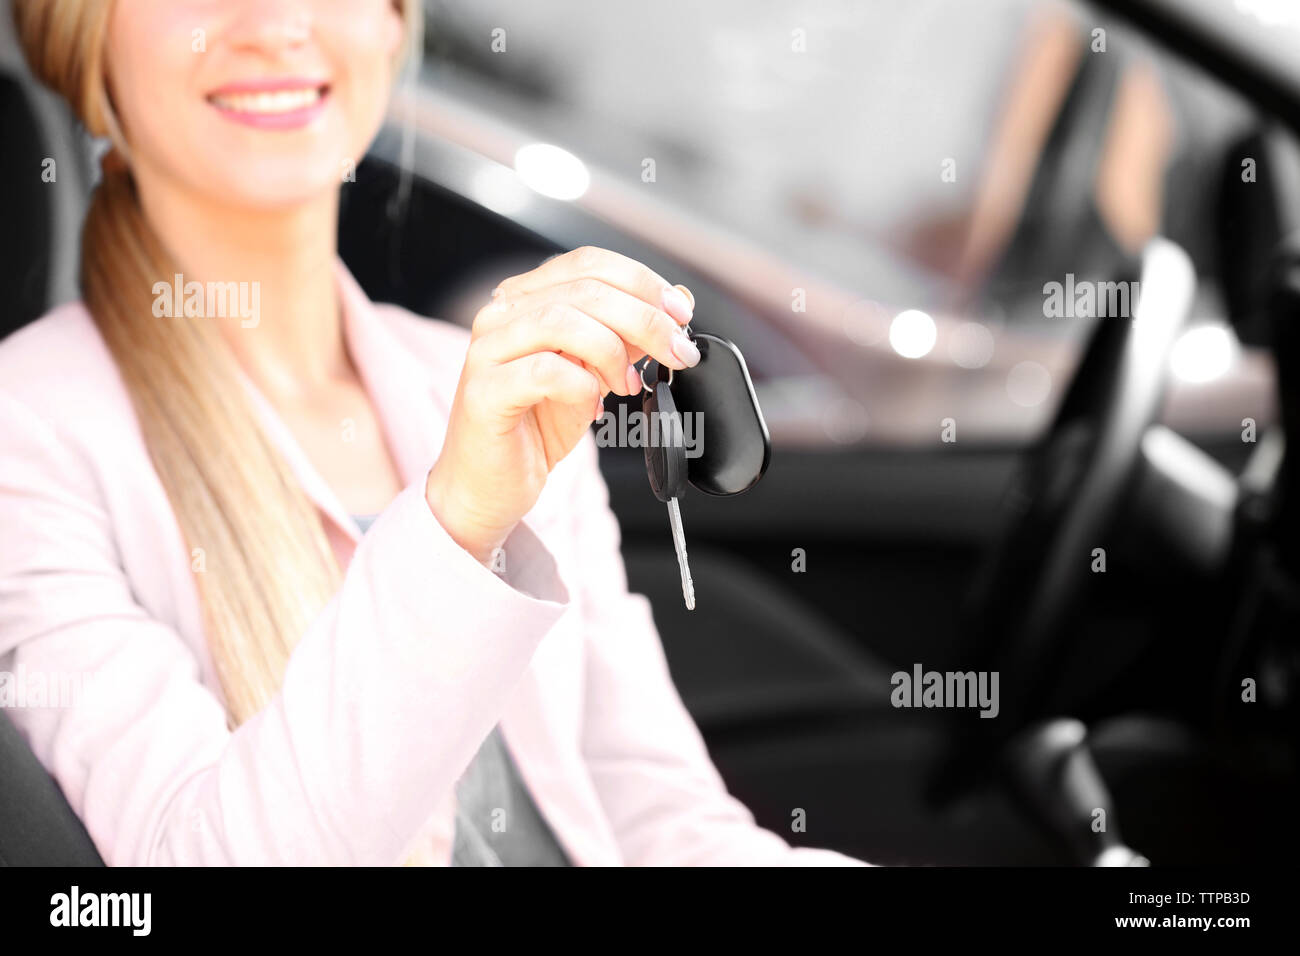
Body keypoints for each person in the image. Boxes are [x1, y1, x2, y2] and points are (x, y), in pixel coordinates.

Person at [0, 0, 865, 866]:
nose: (278, 22)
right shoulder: (28, 433)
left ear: (391, 23)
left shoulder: (490, 381)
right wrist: (454, 522)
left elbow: (662, 828)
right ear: (81, 34)